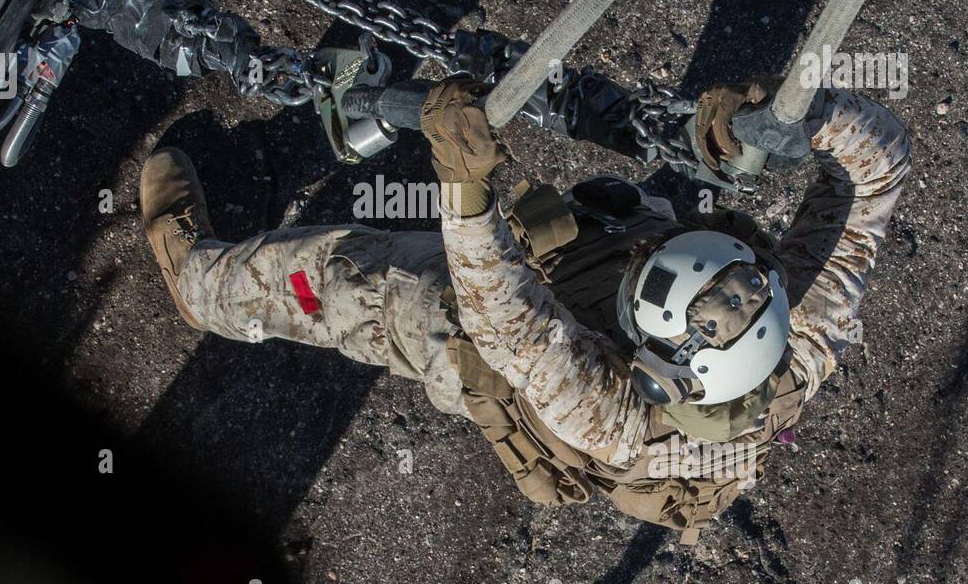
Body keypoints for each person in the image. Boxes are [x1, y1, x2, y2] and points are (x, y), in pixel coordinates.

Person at [139, 77, 910, 543]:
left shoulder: (611, 414)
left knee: (348, 280)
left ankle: (204, 288)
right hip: (597, 280)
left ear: (663, 370)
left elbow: (509, 320)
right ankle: (609, 242)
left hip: (496, 353)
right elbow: (881, 169)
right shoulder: (802, 329)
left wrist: (463, 186)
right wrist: (790, 120)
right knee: (613, 213)